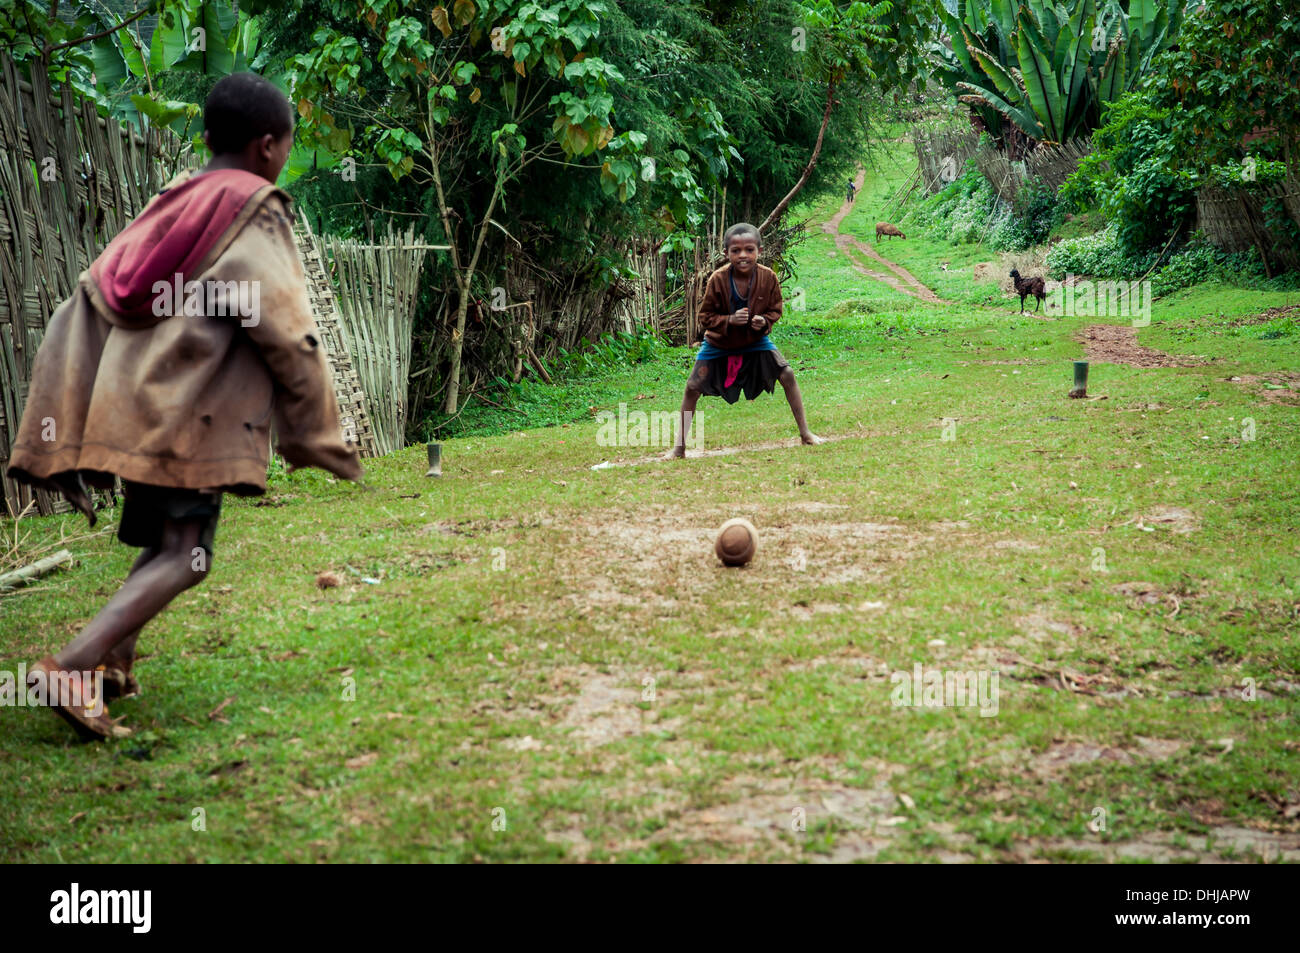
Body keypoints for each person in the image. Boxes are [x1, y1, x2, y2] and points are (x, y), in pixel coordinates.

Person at [6, 73, 363, 740]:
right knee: (188, 555)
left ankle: (114, 658)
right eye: (287, 144)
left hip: (134, 403)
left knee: (169, 543)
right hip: (189, 413)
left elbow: (101, 291)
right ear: (267, 146)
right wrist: (318, 432)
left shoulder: (174, 199)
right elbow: (287, 328)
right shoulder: (253, 208)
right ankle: (72, 665)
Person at [665, 223, 825, 458]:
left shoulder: (768, 277)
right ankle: (679, 447)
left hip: (755, 341)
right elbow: (705, 317)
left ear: (759, 251)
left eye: (749, 250)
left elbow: (775, 309)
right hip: (719, 342)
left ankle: (806, 433)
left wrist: (764, 321)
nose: (743, 255)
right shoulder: (717, 280)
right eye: (735, 250)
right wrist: (729, 320)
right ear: (726, 254)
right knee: (692, 387)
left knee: (787, 374)